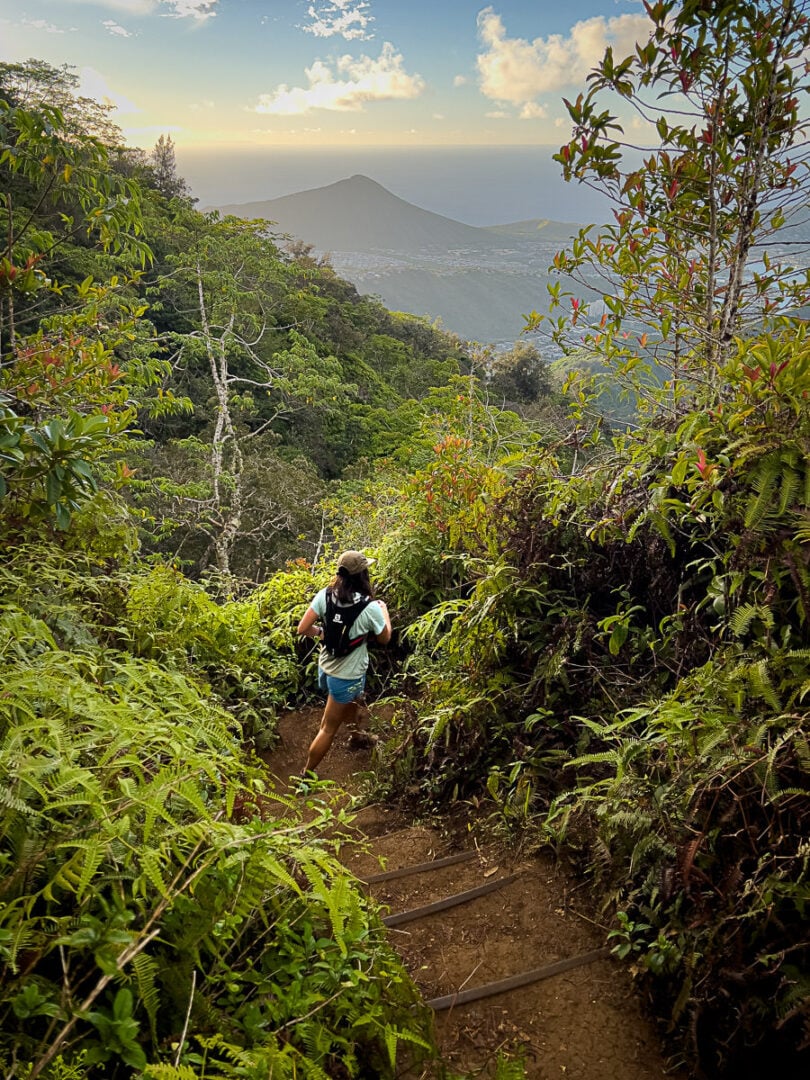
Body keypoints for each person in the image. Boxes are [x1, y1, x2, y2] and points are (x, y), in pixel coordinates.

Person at [296, 550, 391, 776]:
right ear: (363, 575)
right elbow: (384, 638)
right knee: (328, 728)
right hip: (347, 675)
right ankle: (305, 775)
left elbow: (302, 628)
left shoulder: (325, 595)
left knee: (356, 701)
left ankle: (357, 736)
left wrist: (322, 633)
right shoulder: (369, 608)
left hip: (326, 668)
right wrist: (384, 612)